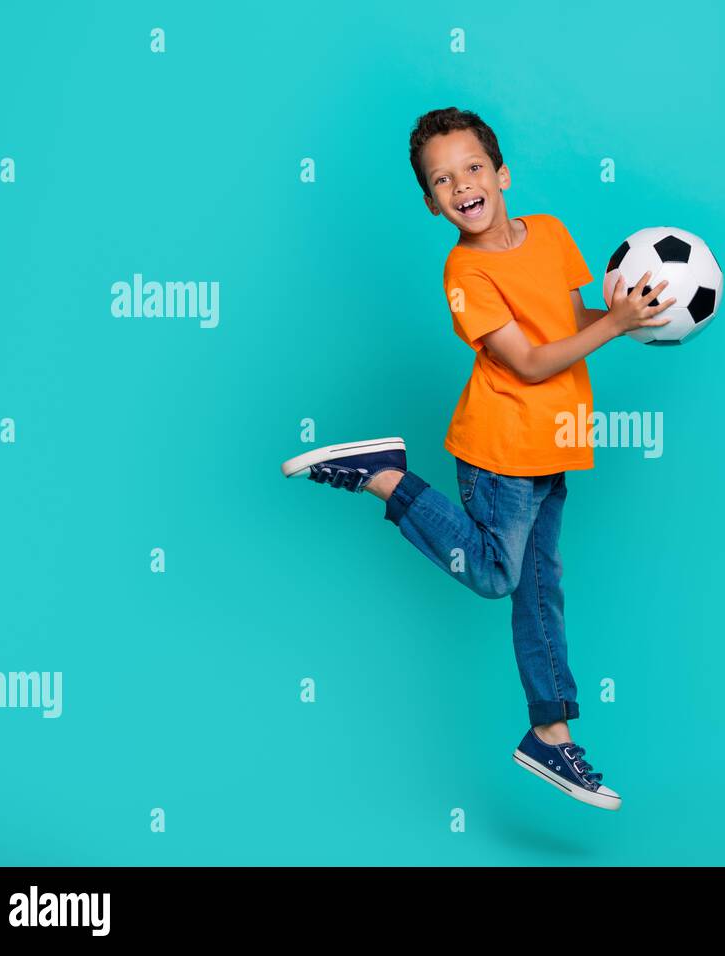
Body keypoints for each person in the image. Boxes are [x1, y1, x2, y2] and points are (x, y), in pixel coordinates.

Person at [280, 107, 674, 811]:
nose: (461, 185)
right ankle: (384, 475)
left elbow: (568, 323)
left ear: (502, 173)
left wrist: (626, 316)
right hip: (499, 452)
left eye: (471, 168)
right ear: (432, 204)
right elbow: (525, 363)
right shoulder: (464, 273)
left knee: (539, 591)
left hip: (552, 450)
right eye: (442, 180)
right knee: (496, 575)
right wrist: (615, 327)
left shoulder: (550, 235)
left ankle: (549, 735)